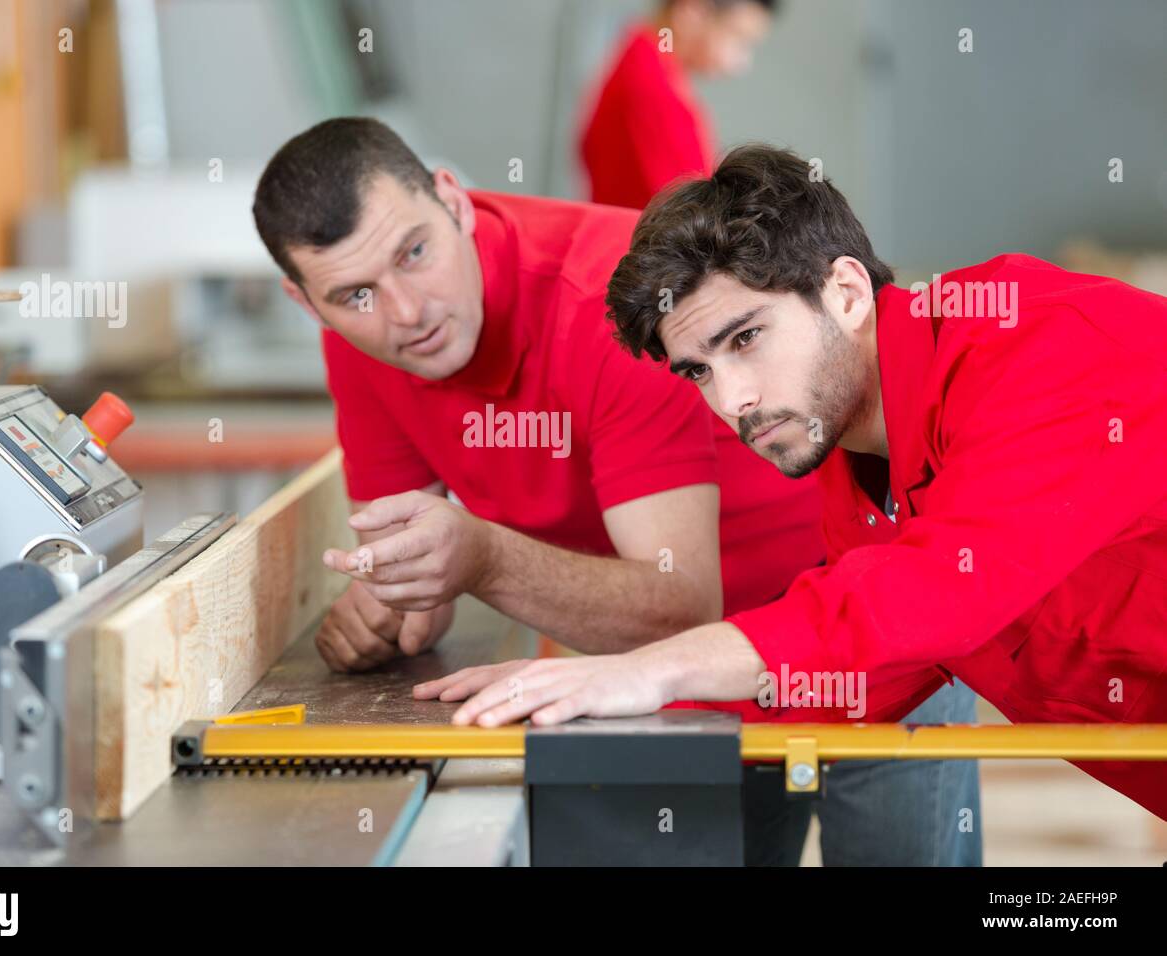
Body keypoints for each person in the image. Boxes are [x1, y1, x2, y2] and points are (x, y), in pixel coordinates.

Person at [253, 119, 981, 863]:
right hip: (688, 673)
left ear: (454, 201)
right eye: (354, 294)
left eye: (415, 252)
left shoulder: (607, 299)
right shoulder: (362, 342)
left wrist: (479, 559)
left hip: (866, 613)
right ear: (306, 302)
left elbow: (677, 601)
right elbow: (411, 593)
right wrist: (393, 599)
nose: (406, 312)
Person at [422, 142, 1167, 823]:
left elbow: (938, 591)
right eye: (699, 371)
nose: (732, 401)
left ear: (845, 291)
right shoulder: (858, 487)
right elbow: (857, 677)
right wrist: (602, 713)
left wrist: (655, 668)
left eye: (746, 339)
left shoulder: (1038, 348)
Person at [580, 0, 775, 209]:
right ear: (693, 10)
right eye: (738, 39)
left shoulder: (647, 63)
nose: (740, 64)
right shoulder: (651, 84)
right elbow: (698, 210)